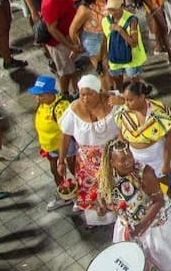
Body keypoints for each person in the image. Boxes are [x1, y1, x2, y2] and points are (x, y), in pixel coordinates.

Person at [97, 139, 171, 271]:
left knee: (164, 263)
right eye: (122, 160)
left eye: (129, 156)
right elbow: (101, 191)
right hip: (129, 225)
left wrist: (140, 227)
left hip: (155, 224)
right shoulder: (108, 174)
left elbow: (159, 202)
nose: (129, 161)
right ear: (112, 163)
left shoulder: (145, 173)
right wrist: (102, 206)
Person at [58, 74, 119, 228]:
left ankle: (118, 215)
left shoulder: (113, 101)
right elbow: (65, 137)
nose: (84, 98)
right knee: (90, 190)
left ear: (97, 91)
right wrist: (61, 161)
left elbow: (131, 104)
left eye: (89, 94)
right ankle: (94, 220)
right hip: (87, 161)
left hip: (111, 156)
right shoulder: (74, 109)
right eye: (82, 94)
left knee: (112, 187)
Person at [113, 82, 171, 186]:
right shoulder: (123, 112)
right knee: (142, 186)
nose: (126, 103)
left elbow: (170, 138)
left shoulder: (159, 111)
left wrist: (166, 163)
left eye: (130, 100)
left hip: (156, 157)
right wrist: (124, 154)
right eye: (125, 100)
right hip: (135, 157)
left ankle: (166, 201)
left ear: (141, 97)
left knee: (163, 187)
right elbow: (121, 134)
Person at [27, 75, 71, 211]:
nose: (37, 98)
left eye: (40, 95)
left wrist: (62, 160)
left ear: (50, 93)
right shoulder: (43, 104)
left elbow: (66, 133)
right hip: (49, 147)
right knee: (55, 171)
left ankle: (80, 196)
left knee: (73, 170)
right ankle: (65, 195)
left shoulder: (61, 107)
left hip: (65, 148)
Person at [40, 0, 81, 97]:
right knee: (65, 71)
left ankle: (76, 90)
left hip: (69, 35)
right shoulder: (49, 3)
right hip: (58, 43)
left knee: (71, 68)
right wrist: (70, 46)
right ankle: (64, 94)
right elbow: (52, 29)